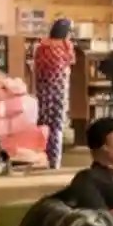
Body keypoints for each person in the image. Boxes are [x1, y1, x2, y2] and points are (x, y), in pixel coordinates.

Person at [33, 18, 75, 168]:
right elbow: (66, 68)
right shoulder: (65, 47)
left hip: (43, 91)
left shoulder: (41, 47)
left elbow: (37, 69)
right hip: (59, 92)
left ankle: (41, 157)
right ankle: (55, 161)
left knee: (43, 125)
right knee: (57, 128)